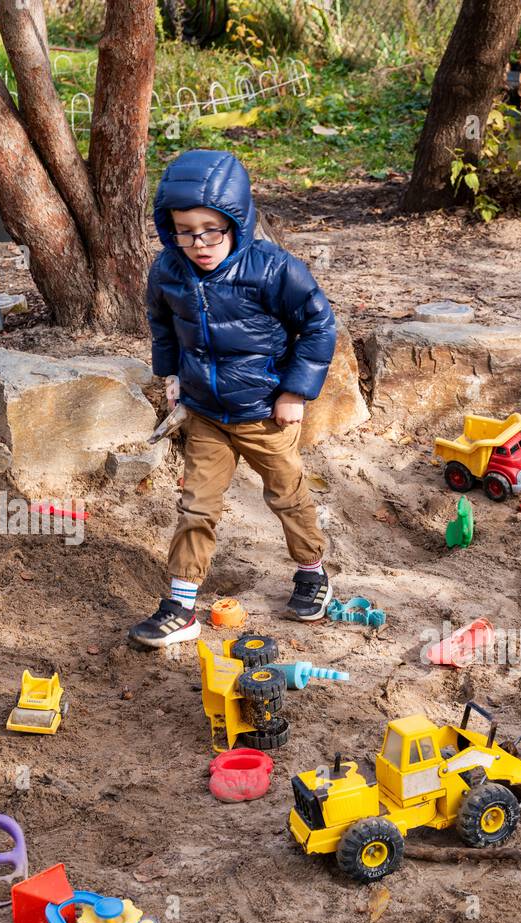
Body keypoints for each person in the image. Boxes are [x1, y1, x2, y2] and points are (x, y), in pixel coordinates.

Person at [129, 149, 337, 648]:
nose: (198, 243)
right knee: (196, 506)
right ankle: (181, 606)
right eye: (185, 230)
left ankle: (312, 572)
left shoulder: (273, 270)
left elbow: (317, 325)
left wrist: (294, 391)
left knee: (286, 494)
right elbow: (162, 324)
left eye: (211, 230)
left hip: (266, 414)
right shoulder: (169, 271)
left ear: (237, 222)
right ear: (169, 228)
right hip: (205, 414)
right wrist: (172, 374)